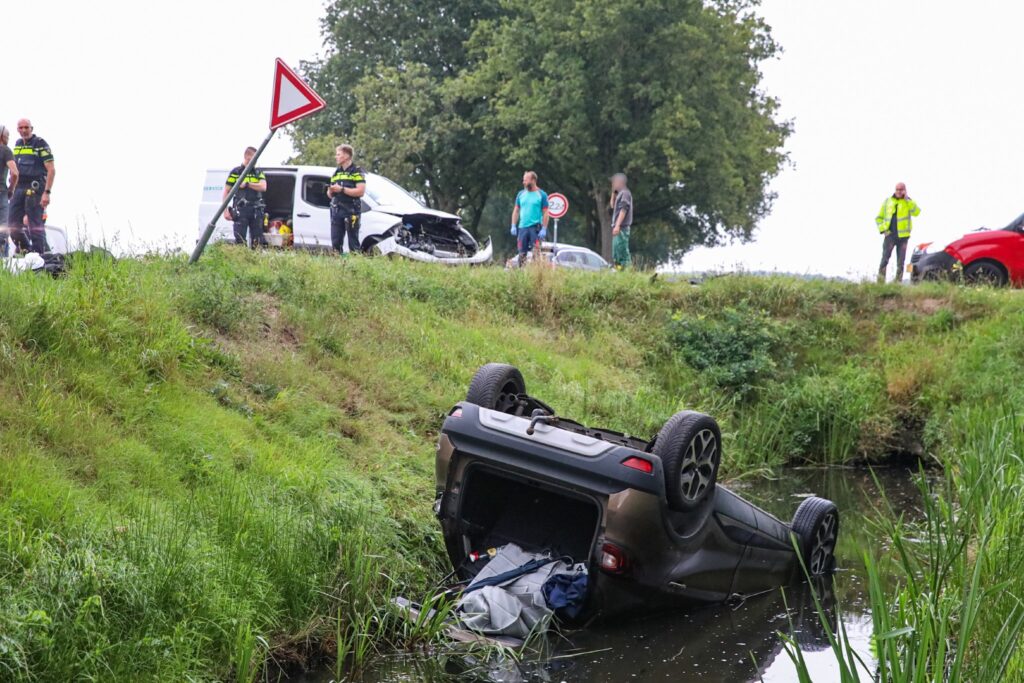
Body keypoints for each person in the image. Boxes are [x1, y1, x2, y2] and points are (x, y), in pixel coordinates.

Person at [9, 119, 54, 254]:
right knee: (12, 225)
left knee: (35, 227)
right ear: (17, 130)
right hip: (18, 188)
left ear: (31, 128)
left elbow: (51, 169)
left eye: (26, 127)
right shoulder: (17, 144)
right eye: (21, 128)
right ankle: (27, 253)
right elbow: (13, 169)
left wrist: (47, 192)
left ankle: (41, 259)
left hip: (35, 189)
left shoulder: (40, 144)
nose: (24, 130)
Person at [875, 182, 921, 283]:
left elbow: (917, 212)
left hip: (903, 237)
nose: (899, 192)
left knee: (901, 262)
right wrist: (883, 230)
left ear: (905, 190)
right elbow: (878, 218)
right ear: (894, 190)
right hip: (890, 235)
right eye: (897, 189)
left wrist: (907, 200)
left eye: (901, 190)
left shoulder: (908, 202)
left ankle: (897, 282)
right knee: (884, 259)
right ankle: (880, 282)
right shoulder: (888, 201)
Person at [222, 147, 268, 247]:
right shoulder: (236, 172)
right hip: (241, 210)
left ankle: (254, 261)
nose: (255, 162)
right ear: (247, 157)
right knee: (240, 240)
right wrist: (225, 211)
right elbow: (226, 191)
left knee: (258, 241)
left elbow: (263, 187)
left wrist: (247, 184)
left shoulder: (258, 172)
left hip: (255, 210)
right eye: (253, 159)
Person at [327, 144, 366, 255]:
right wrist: (330, 191)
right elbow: (330, 195)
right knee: (336, 242)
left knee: (353, 243)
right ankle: (337, 267)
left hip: (352, 210)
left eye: (338, 154)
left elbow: (361, 191)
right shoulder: (336, 172)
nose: (336, 157)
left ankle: (355, 268)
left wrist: (342, 189)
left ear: (346, 156)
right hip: (336, 210)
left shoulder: (357, 172)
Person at [510, 171, 549, 266]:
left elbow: (546, 213)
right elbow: (516, 210)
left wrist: (544, 228)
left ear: (533, 180)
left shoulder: (542, 195)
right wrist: (513, 225)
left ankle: (535, 275)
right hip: (522, 228)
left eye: (526, 180)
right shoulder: (520, 194)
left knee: (536, 253)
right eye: (523, 180)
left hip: (535, 228)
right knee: (521, 253)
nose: (523, 182)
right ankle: (521, 276)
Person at [0, 125, 18, 256]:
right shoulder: (5, 150)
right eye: (8, 135)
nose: (9, 138)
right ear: (2, 136)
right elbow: (15, 173)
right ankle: (2, 261)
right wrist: (11, 189)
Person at [610, 172, 633, 270]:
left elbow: (624, 209)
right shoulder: (619, 194)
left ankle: (627, 272)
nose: (612, 184)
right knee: (616, 253)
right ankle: (619, 272)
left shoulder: (625, 193)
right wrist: (613, 193)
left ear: (620, 182)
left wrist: (617, 225)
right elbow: (612, 205)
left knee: (622, 252)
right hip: (618, 228)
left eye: (614, 182)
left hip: (622, 228)